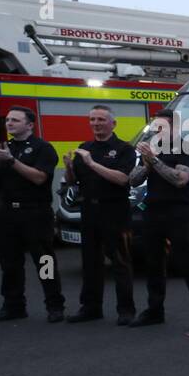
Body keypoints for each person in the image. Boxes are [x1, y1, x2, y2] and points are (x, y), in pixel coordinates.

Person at [127, 109, 189, 333]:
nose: (157, 132)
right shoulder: (153, 150)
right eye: (154, 128)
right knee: (153, 264)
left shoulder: (188, 150)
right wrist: (147, 162)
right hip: (153, 212)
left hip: (178, 213)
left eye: (161, 128)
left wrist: (153, 160)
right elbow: (133, 180)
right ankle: (154, 311)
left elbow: (180, 180)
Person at [63, 105, 137, 324]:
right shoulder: (85, 147)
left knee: (120, 262)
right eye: (92, 119)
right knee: (90, 262)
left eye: (101, 119)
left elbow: (123, 179)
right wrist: (69, 168)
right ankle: (90, 307)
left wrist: (91, 163)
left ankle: (126, 310)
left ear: (113, 123)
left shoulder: (124, 149)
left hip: (114, 211)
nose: (95, 123)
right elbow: (72, 182)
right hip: (89, 211)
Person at [0, 106, 66, 322]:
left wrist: (11, 161)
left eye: (15, 120)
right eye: (8, 120)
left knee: (44, 261)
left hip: (35, 213)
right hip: (8, 213)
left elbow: (39, 178)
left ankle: (54, 305)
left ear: (29, 125)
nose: (9, 123)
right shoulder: (4, 147)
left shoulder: (42, 148)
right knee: (9, 263)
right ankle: (13, 305)